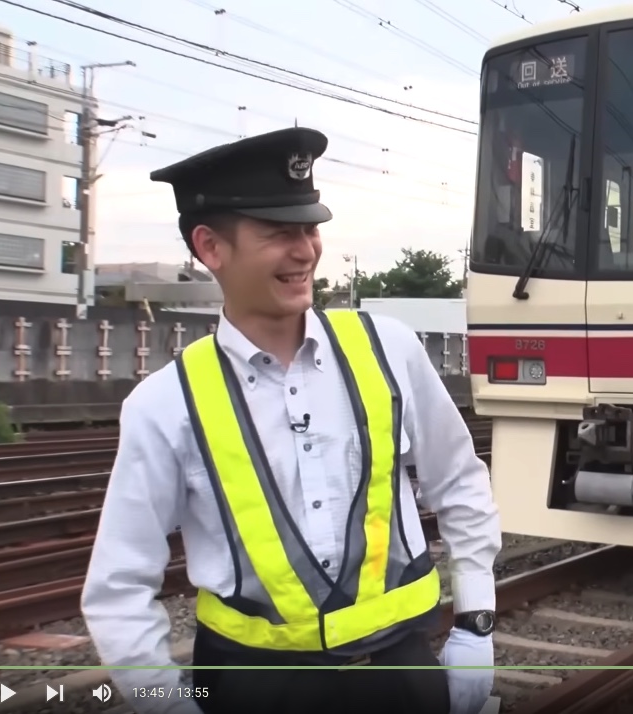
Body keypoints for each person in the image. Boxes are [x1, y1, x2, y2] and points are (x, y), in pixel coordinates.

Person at [80, 127, 502, 714]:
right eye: (279, 233)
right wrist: (169, 706)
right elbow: (118, 588)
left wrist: (475, 625)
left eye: (310, 228)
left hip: (404, 674)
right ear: (210, 247)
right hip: (252, 687)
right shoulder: (164, 405)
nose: (305, 250)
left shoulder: (391, 351)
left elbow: (458, 481)